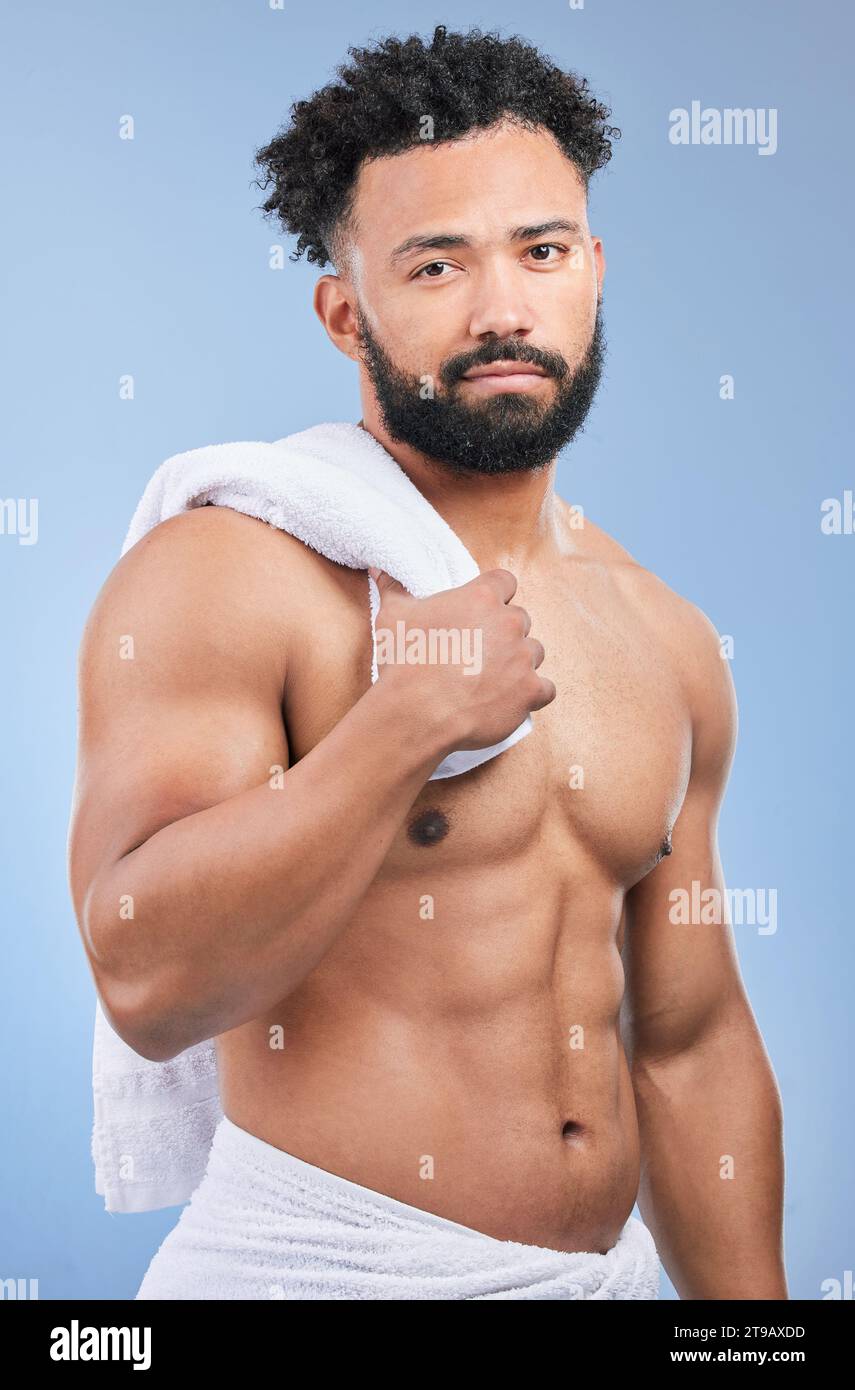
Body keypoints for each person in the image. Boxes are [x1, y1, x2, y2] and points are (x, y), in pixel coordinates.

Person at [68, 25, 787, 1299]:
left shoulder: (660, 631)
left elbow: (690, 1039)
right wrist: (401, 727)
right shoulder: (235, 573)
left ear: (596, 272)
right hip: (316, 1274)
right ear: (347, 313)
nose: (504, 308)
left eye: (543, 252)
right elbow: (144, 976)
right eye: (437, 264)